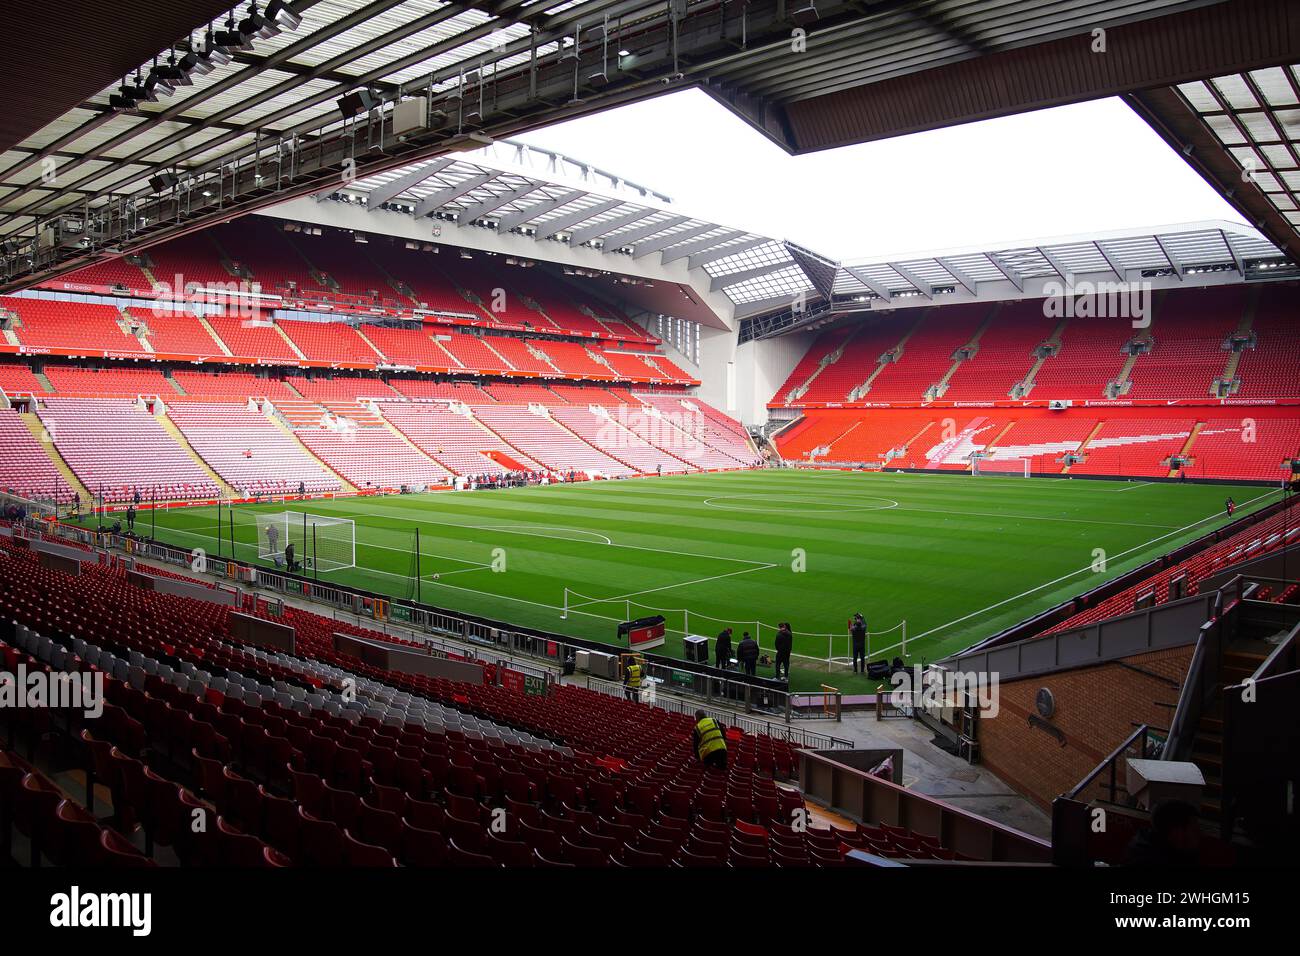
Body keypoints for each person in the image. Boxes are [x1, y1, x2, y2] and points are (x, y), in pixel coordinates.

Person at [1124, 800, 1200, 866]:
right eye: (1194, 829)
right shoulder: (1162, 861)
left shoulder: (1142, 844)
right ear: (1177, 831)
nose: (1198, 833)